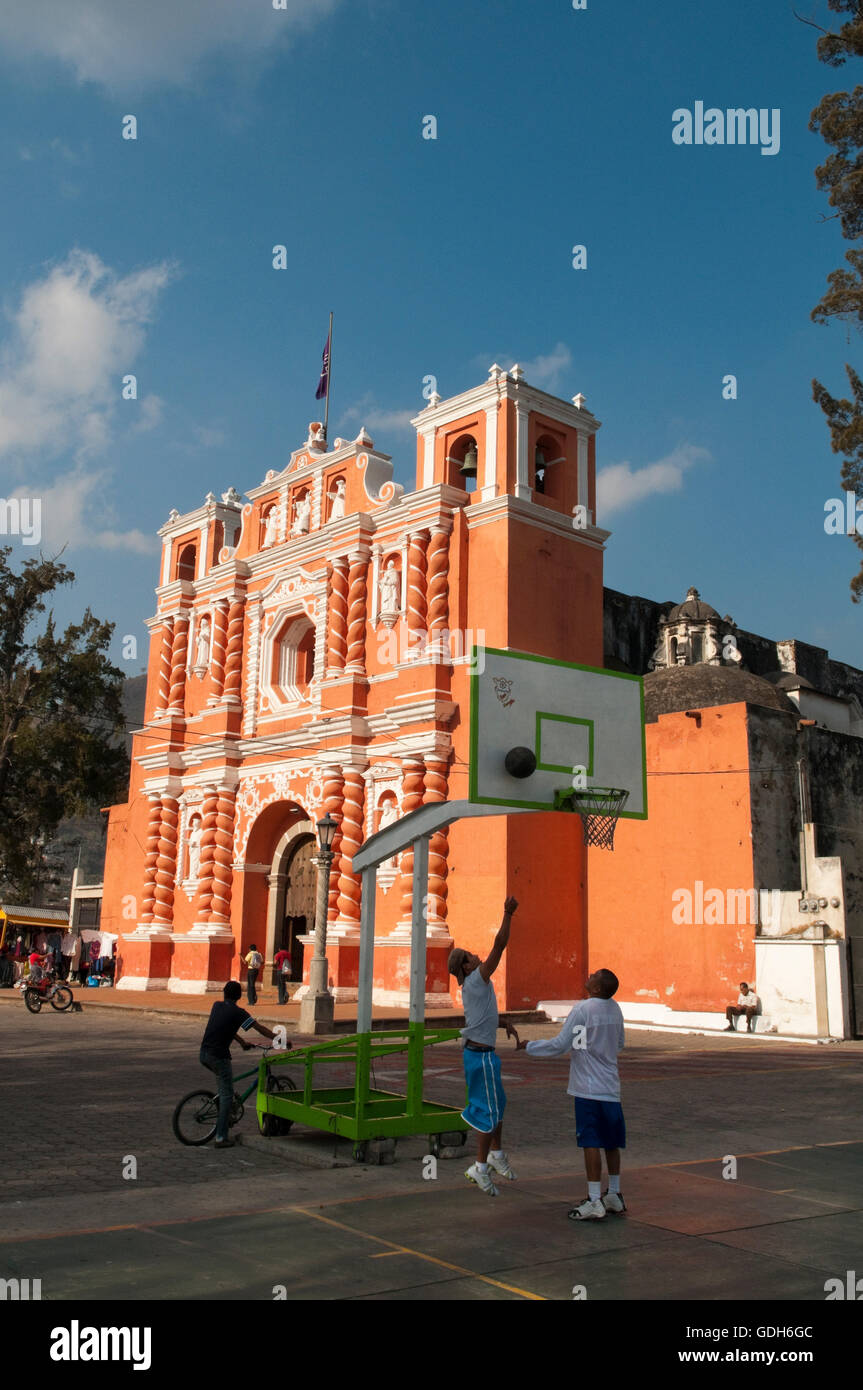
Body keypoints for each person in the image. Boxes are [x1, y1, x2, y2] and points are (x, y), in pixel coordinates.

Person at [514, 968, 626, 1221]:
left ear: (596, 988)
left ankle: (594, 1199)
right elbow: (619, 1044)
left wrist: (529, 1046)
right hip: (611, 1086)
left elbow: (561, 1045)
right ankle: (615, 1195)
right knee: (612, 1142)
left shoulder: (583, 1010)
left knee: (590, 1142)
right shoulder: (615, 1008)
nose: (590, 974)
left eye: (595, 975)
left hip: (588, 1088)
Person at [447, 897, 519, 1197]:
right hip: (480, 1057)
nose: (477, 956)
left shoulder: (475, 985)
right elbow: (499, 946)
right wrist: (507, 913)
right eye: (470, 956)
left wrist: (503, 1024)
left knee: (498, 1105)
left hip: (481, 1053)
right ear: (466, 965)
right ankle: (479, 1165)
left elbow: (483, 1016)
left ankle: (496, 1154)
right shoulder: (477, 979)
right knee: (487, 1113)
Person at [199, 981, 284, 1148]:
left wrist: (242, 1041)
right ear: (239, 996)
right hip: (218, 1056)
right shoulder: (239, 1013)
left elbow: (226, 1029)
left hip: (204, 1054)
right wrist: (278, 1038)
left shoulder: (217, 1006)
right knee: (226, 1096)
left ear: (224, 993)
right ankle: (221, 1137)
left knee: (224, 1087)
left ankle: (225, 1111)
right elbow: (260, 1029)